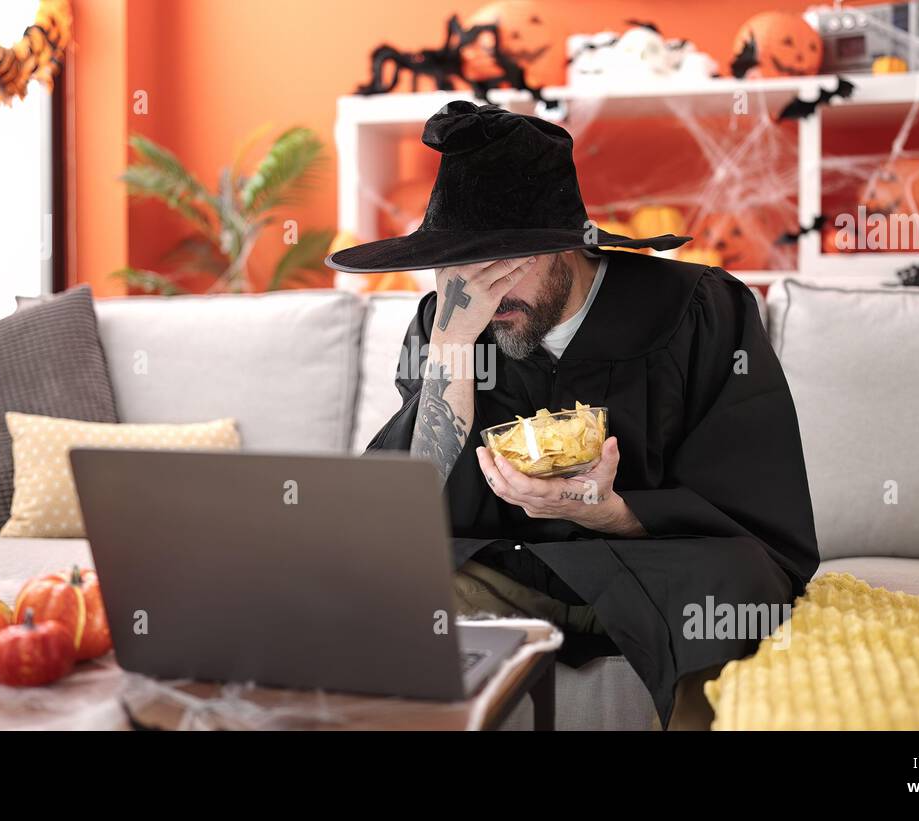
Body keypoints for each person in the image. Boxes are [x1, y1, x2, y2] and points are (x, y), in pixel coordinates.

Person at [326, 101, 818, 725]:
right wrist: (451, 348)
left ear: (565, 248)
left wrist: (615, 514)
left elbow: (760, 521)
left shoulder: (697, 309)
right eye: (460, 274)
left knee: (740, 582)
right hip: (513, 569)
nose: (487, 298)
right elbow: (401, 518)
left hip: (655, 571)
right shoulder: (451, 322)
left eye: (502, 269)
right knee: (374, 587)